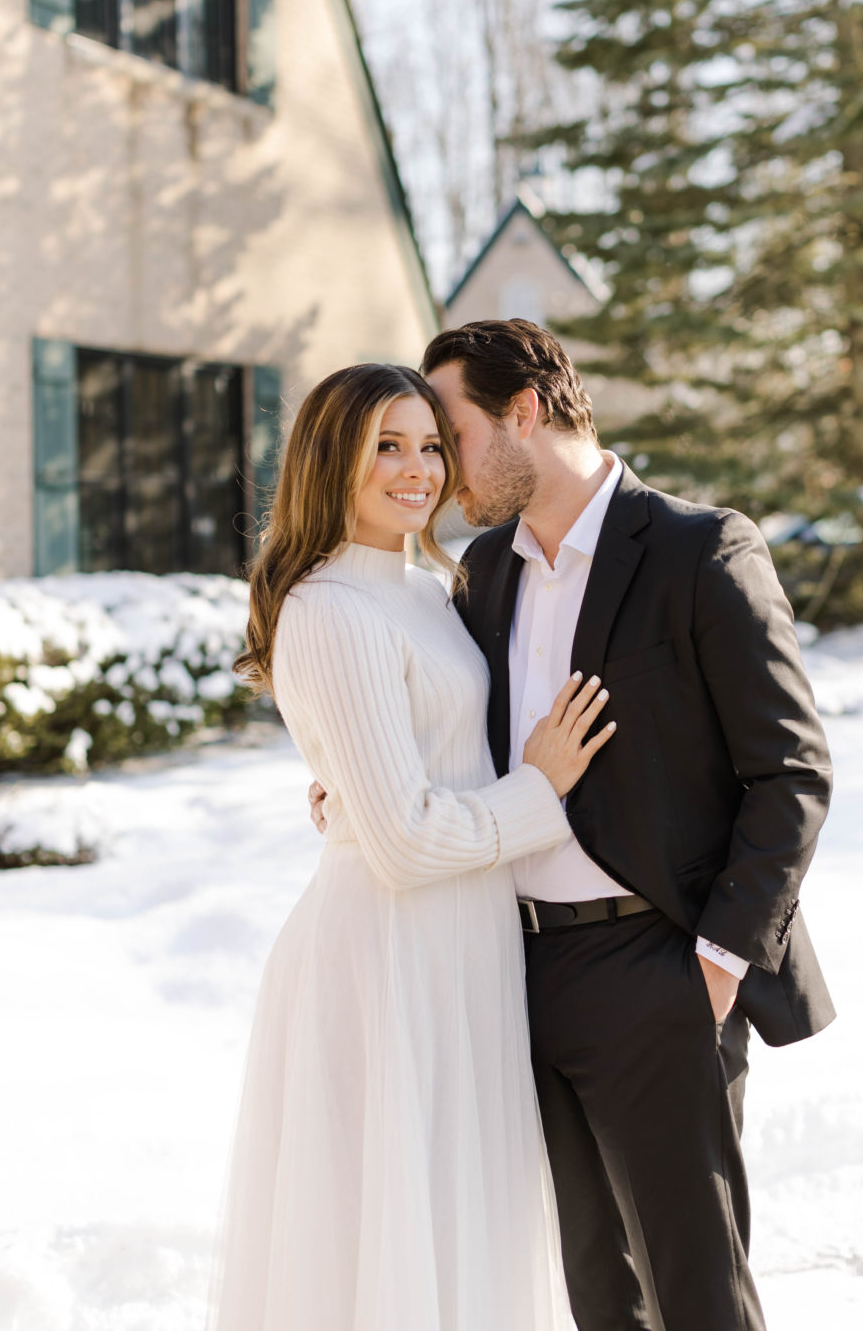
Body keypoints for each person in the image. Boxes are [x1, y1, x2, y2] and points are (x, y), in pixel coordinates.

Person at [317, 321, 835, 1329]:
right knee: (596, 1292)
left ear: (524, 413)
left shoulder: (697, 548)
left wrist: (717, 960)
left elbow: (790, 770)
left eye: (449, 435)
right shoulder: (482, 576)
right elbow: (444, 735)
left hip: (660, 965)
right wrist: (352, 784)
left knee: (696, 1291)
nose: (432, 466)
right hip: (514, 971)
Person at [207, 360, 617, 1331]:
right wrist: (542, 792)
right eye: (385, 445)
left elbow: (415, 768)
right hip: (387, 955)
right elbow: (401, 840)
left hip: (462, 945)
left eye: (430, 444)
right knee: (387, 1241)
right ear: (327, 460)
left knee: (461, 1227)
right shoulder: (327, 607)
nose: (417, 468)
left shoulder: (430, 588)